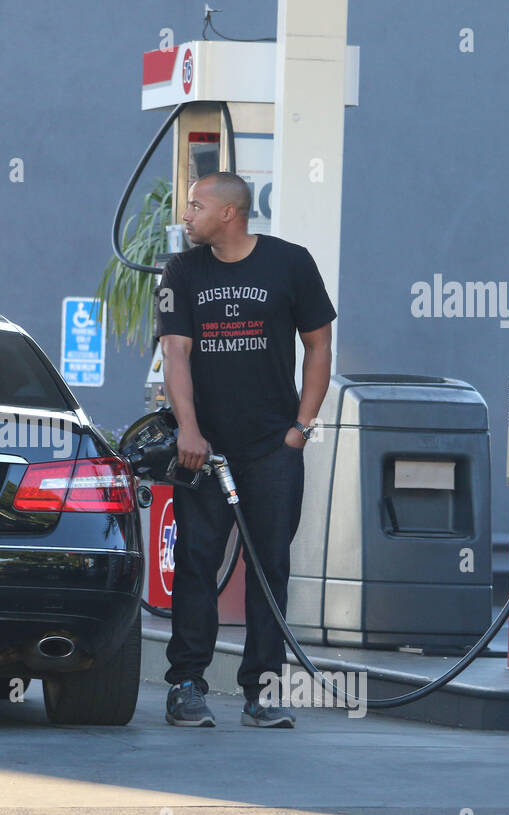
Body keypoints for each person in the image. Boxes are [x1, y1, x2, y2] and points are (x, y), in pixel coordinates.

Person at [155, 171, 335, 729]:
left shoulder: (291, 262)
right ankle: (187, 685)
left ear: (229, 213)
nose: (186, 215)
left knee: (270, 568)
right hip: (203, 450)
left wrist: (300, 428)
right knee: (196, 564)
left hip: (271, 449)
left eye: (195, 206)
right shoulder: (181, 271)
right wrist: (189, 429)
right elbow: (176, 353)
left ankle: (263, 691)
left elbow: (319, 342)